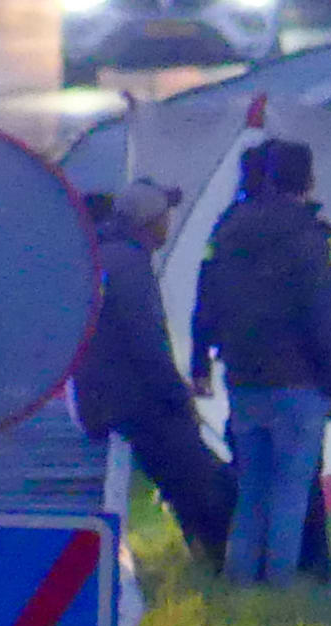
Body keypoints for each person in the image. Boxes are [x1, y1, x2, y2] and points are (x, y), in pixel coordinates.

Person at [190, 139, 331, 585]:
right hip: (301, 380)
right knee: (291, 492)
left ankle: (240, 581)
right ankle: (280, 585)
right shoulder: (312, 235)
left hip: (244, 376)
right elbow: (326, 312)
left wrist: (200, 362)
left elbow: (205, 298)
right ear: (306, 179)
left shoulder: (226, 231)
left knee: (252, 491)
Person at [73, 181, 230, 569]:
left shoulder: (103, 256)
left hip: (101, 395)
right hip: (132, 401)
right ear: (149, 221)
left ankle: (207, 556)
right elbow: (145, 344)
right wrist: (179, 397)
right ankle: (219, 562)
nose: (169, 224)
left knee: (189, 478)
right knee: (203, 481)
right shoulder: (129, 265)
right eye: (165, 216)